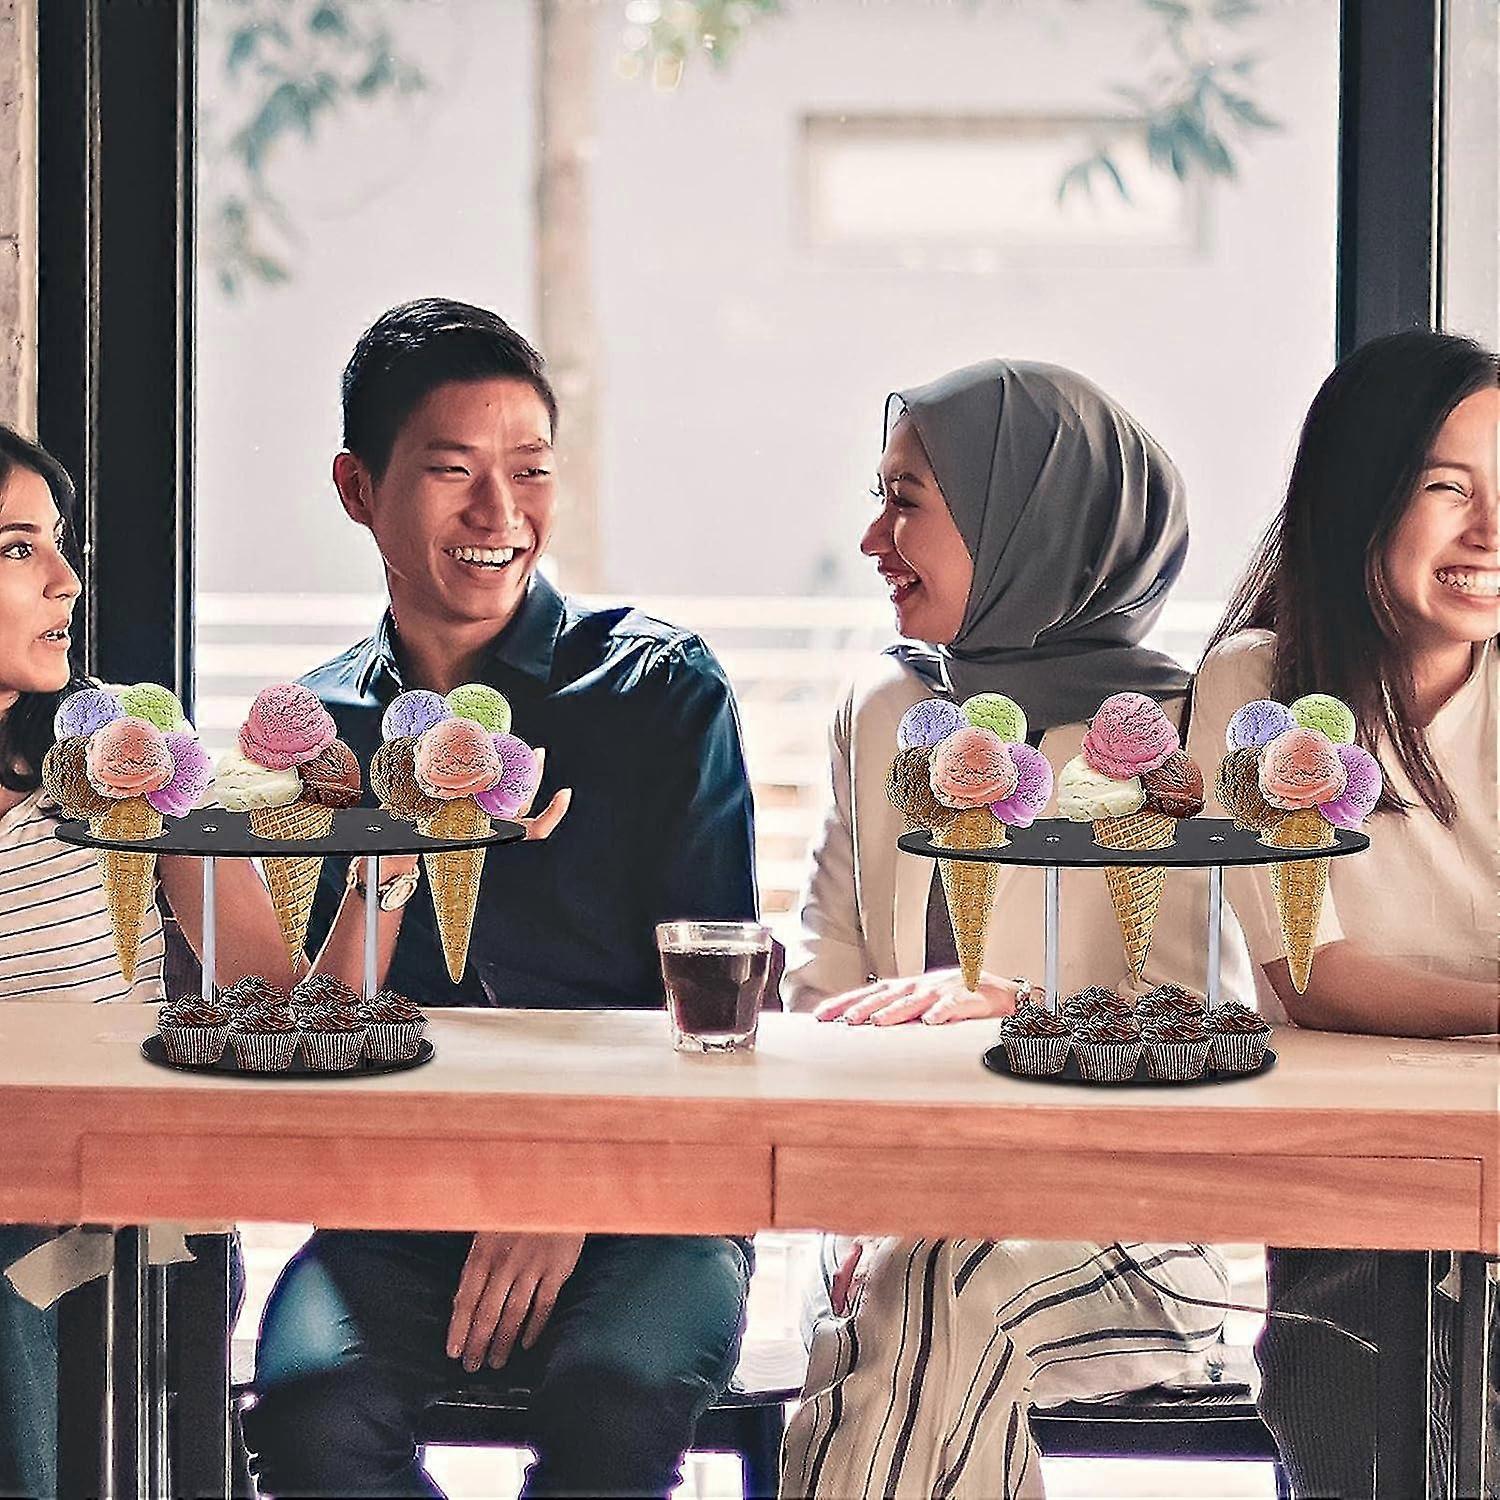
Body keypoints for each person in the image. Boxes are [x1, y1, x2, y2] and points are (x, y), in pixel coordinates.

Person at [241, 298, 759, 1500]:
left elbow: (716, 1015)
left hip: (649, 1202)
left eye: (529, 471)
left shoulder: (660, 692)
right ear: (358, 489)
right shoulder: (318, 734)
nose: (499, 515)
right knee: (312, 1413)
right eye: (453, 472)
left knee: (613, 1411)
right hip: (396, 1207)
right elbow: (307, 1021)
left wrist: (570, 1182)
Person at [779, 361, 1237, 1499]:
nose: (876, 536)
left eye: (909, 503)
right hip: (885, 1215)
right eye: (879, 496)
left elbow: (1232, 1031)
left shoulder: (1182, 735)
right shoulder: (885, 714)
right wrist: (868, 1202)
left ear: (1026, 520)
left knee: (927, 1301)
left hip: (1137, 1229)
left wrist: (1022, 1017)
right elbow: (815, 997)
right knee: (922, 1299)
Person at [1181, 330, 1498, 1498]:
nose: (1490, 533)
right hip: (1351, 1172)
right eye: (1447, 489)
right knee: (1353, 1417)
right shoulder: (1258, 689)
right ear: (1360, 494)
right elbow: (1315, 976)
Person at [0, 424, 295, 1498]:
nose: (66, 581)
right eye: (16, 549)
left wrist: (389, 868)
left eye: (58, 543)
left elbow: (267, 1002)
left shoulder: (125, 760)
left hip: (127, 1212)